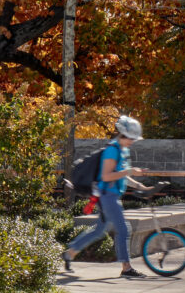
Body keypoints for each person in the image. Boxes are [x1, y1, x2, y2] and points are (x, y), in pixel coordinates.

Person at [60, 115, 150, 280]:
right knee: (123, 229)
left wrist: (141, 187)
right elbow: (107, 176)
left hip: (110, 195)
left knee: (99, 230)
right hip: (107, 196)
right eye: (131, 138)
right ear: (123, 135)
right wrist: (130, 171)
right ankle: (126, 268)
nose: (132, 141)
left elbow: (121, 176)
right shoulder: (112, 150)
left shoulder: (122, 150)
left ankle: (70, 252)